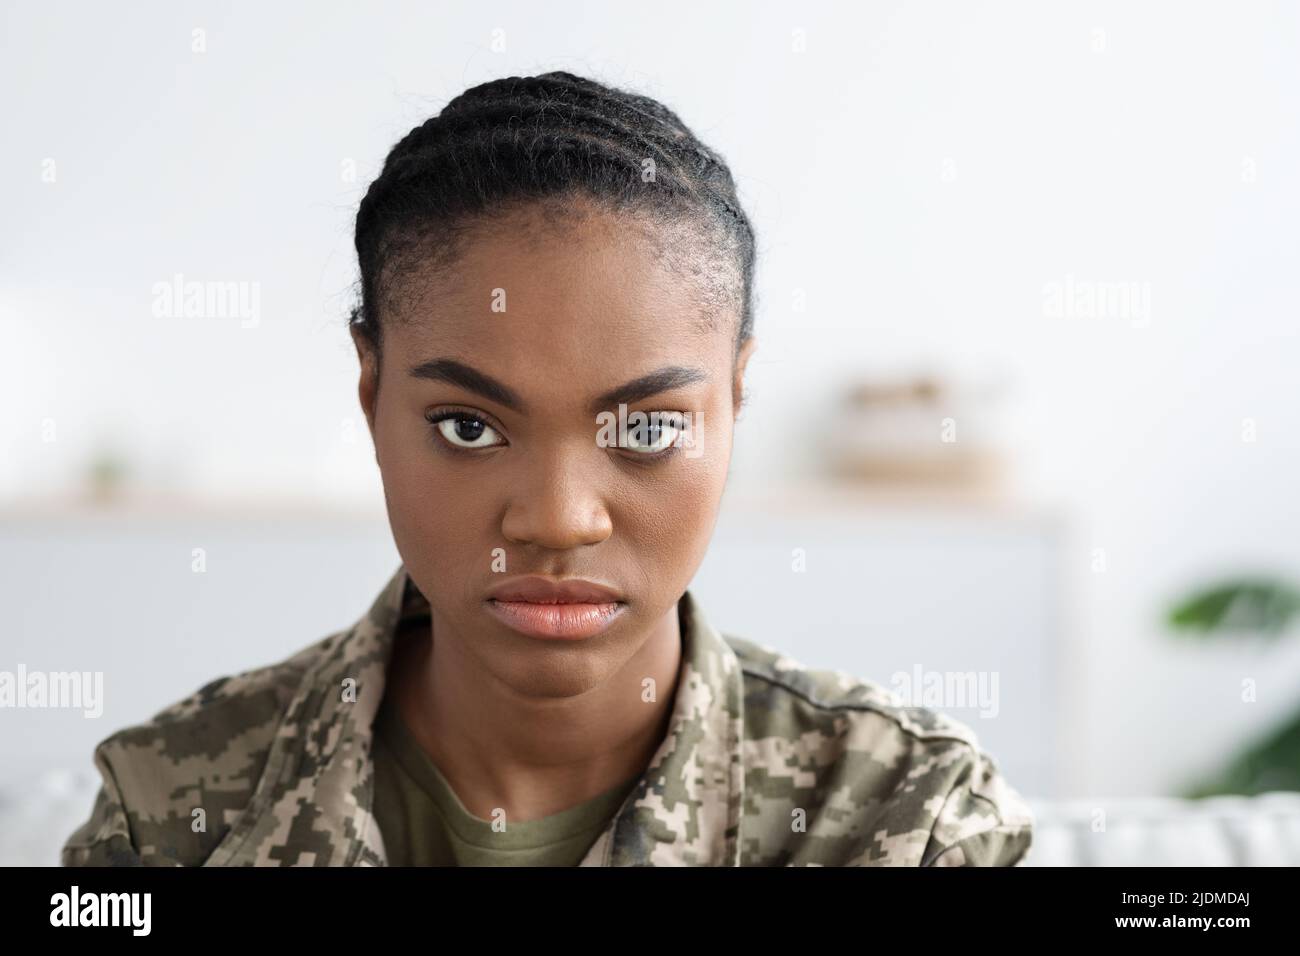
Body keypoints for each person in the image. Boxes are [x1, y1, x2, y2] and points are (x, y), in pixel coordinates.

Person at [62, 71, 1033, 867]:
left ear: (733, 401)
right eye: (469, 427)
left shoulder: (902, 820)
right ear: (371, 392)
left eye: (647, 430)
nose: (559, 520)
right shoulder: (169, 814)